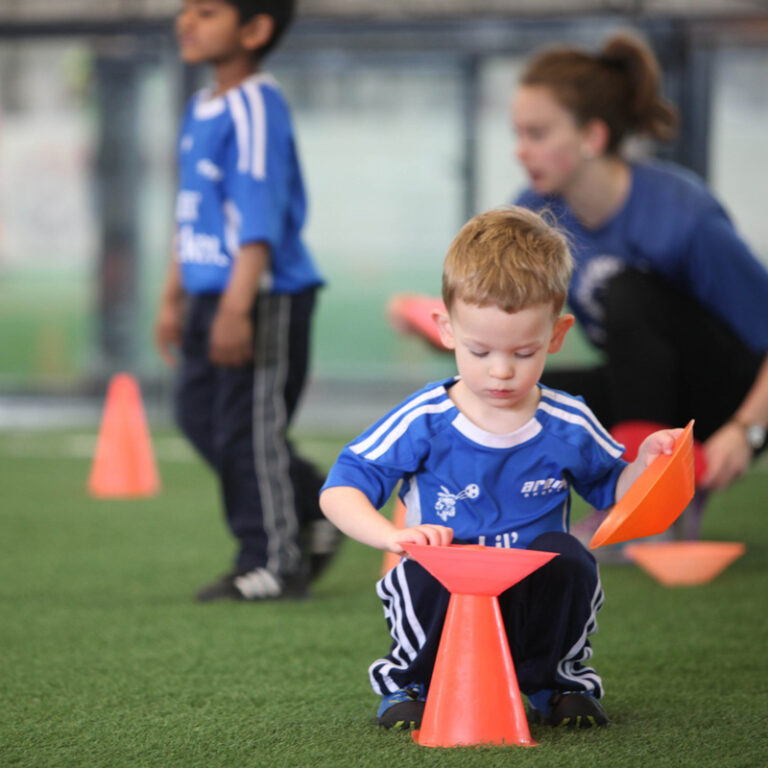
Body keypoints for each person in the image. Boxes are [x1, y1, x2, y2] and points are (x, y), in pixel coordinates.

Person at [320, 206, 683, 731]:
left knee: (569, 556)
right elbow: (341, 486)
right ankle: (411, 682)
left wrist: (646, 465)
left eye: (523, 351)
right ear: (445, 329)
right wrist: (391, 537)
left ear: (557, 336)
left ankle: (554, 682)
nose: (501, 370)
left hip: (528, 589)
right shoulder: (425, 418)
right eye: (480, 349)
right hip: (447, 583)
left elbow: (612, 488)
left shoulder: (568, 420)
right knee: (422, 564)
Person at [512, 32, 768, 539]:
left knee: (627, 293)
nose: (522, 152)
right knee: (519, 392)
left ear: (593, 138)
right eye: (517, 135)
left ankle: (648, 502)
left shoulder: (683, 217)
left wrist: (746, 431)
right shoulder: (537, 212)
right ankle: (511, 519)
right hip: (643, 387)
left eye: (537, 134)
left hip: (729, 402)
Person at [154, 0, 338, 602]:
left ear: (254, 30)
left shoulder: (256, 104)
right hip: (212, 294)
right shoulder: (200, 105)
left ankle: (273, 561)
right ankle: (315, 505)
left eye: (207, 11)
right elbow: (194, 211)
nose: (187, 21)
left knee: (248, 432)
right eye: (186, 9)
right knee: (200, 418)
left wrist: (237, 308)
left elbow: (257, 220)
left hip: (261, 295)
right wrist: (173, 295)